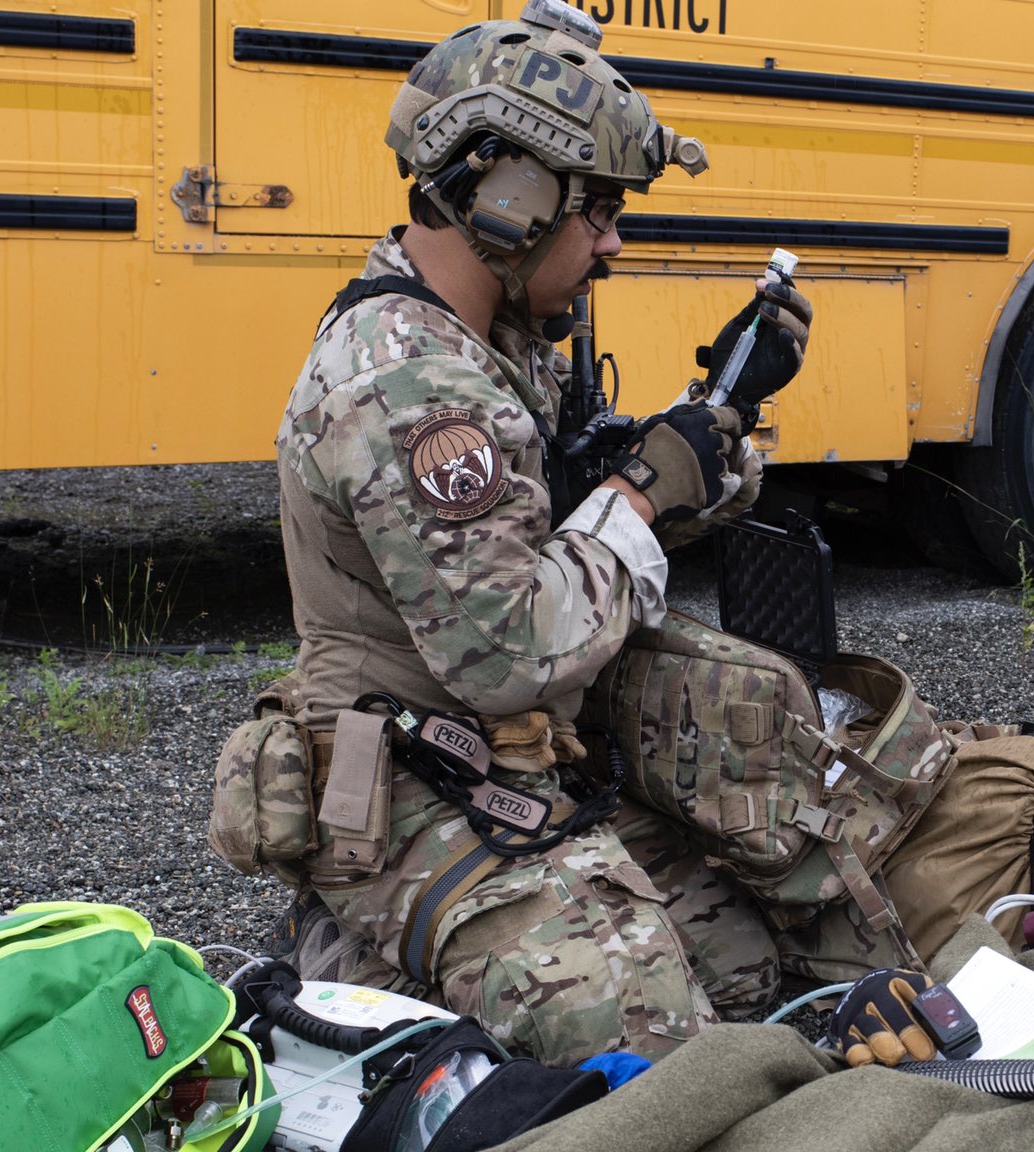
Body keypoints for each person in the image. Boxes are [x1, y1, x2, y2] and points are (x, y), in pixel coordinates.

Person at [260, 0, 811, 1067]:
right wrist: (645, 497)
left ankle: (411, 968)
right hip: (410, 779)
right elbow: (508, 649)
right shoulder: (410, 382)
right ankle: (361, 963)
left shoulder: (489, 344)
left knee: (748, 958)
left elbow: (561, 522)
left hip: (502, 757)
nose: (611, 243)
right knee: (643, 1031)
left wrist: (717, 426)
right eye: (596, 209)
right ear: (506, 196)